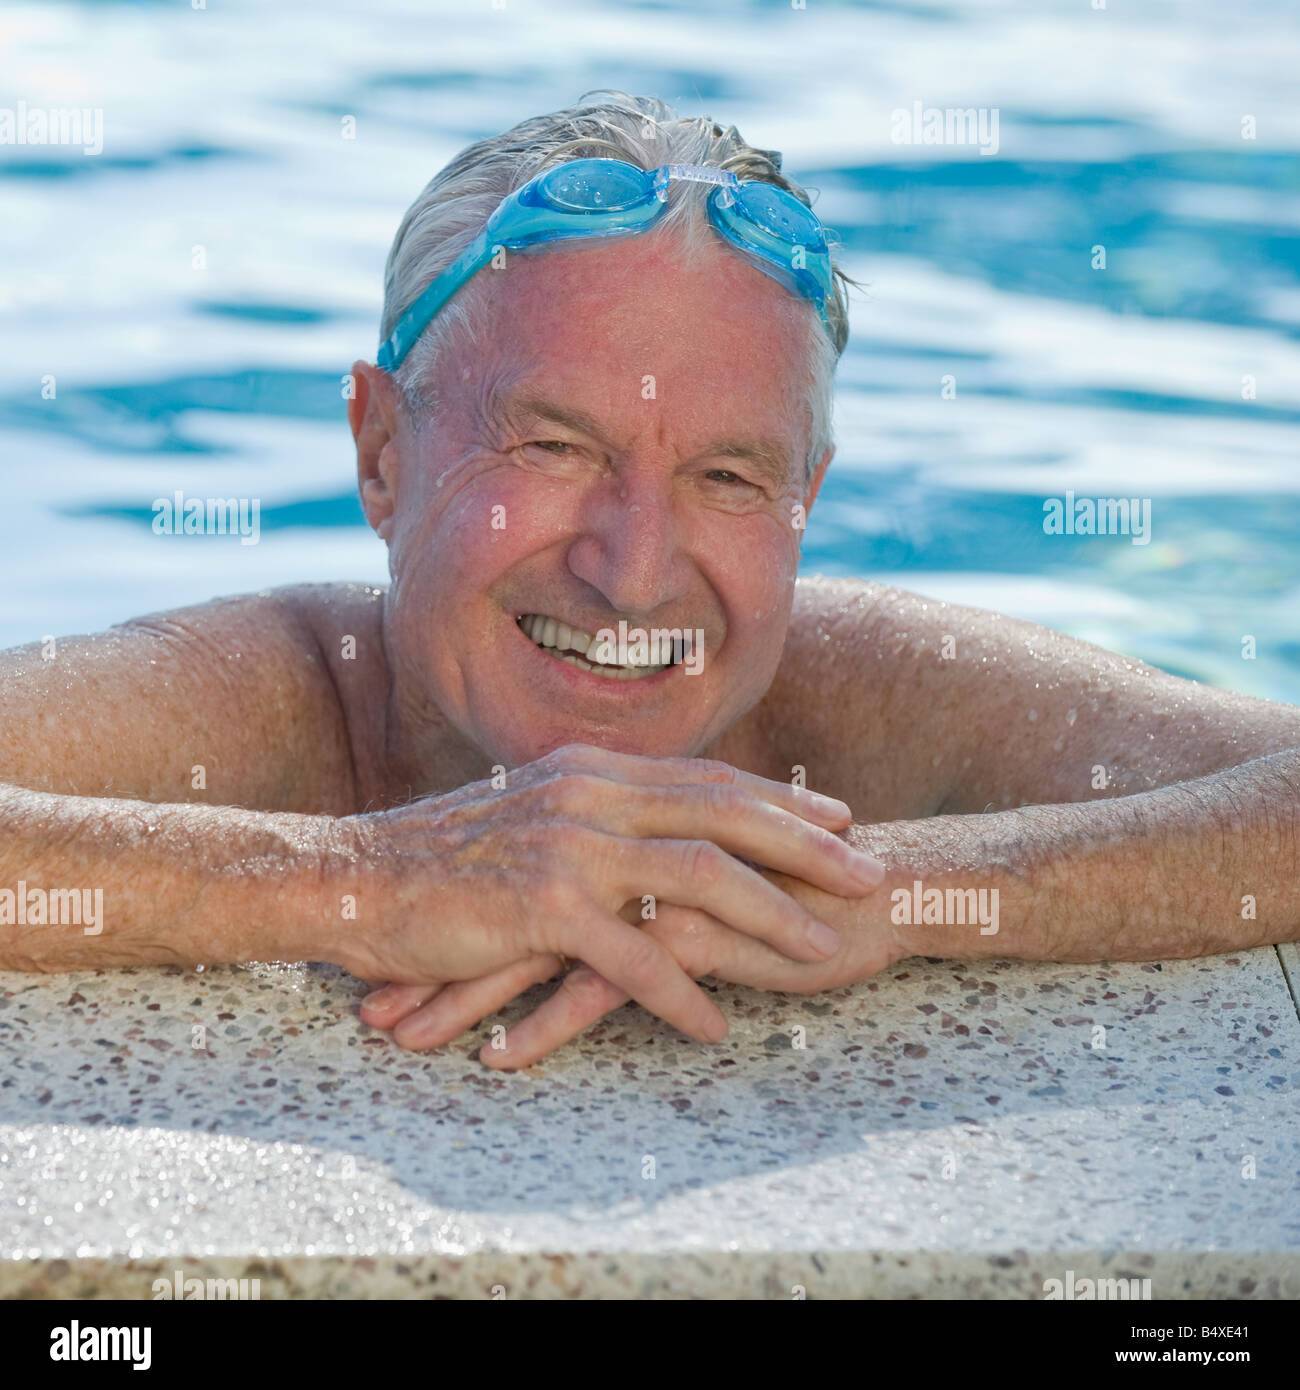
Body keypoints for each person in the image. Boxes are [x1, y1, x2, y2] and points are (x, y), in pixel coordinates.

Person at [3, 94, 1298, 1071]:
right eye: (555, 446)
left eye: (730, 478)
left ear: (807, 503)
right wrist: (363, 880)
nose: (631, 572)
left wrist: (895, 893)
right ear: (382, 452)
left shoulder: (872, 691)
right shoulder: (279, 692)